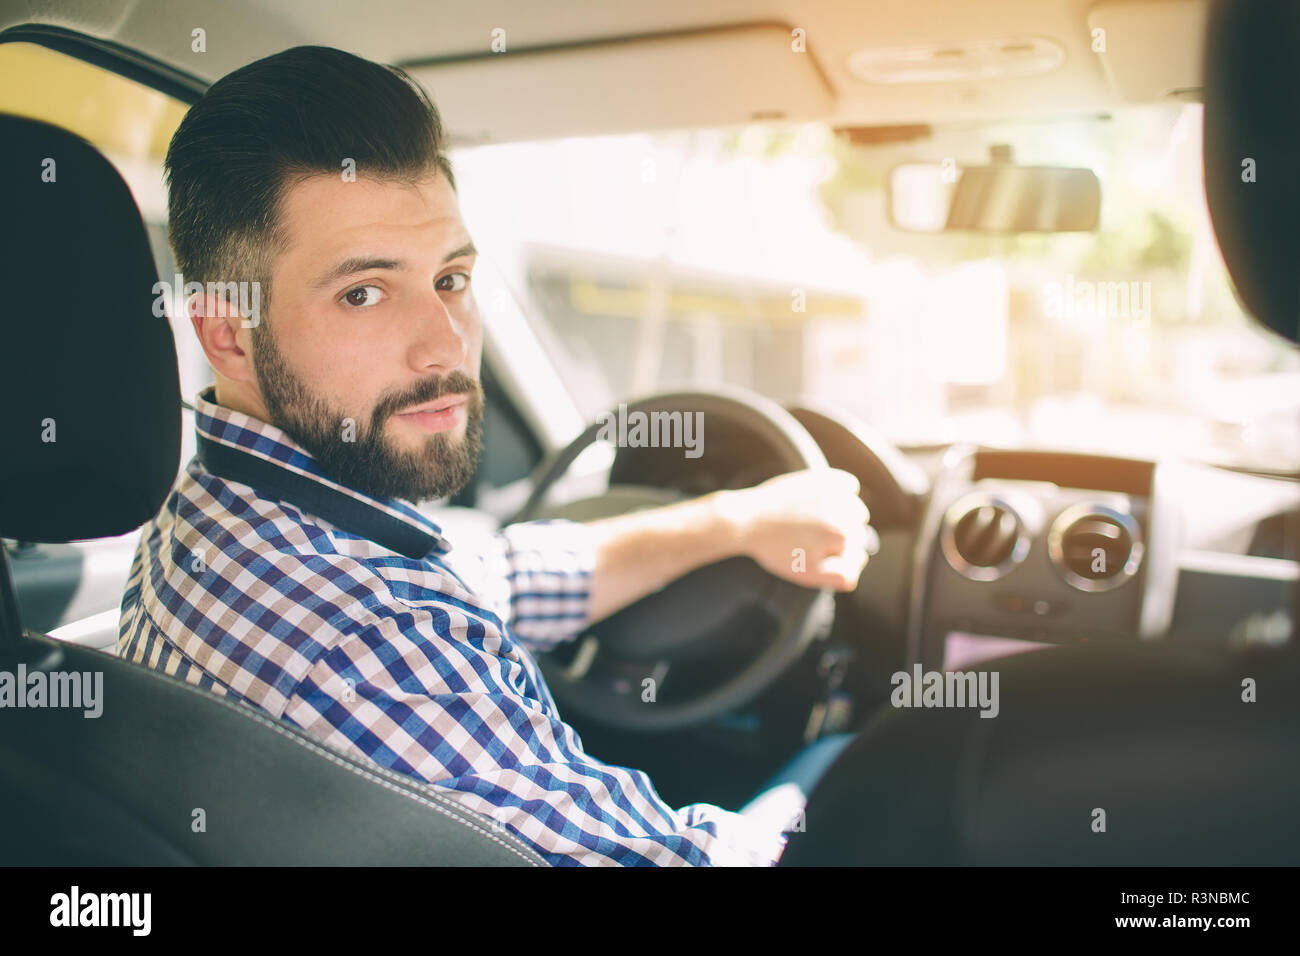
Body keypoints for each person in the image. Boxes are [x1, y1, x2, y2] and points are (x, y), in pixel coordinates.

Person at [119, 45, 870, 866]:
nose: (444, 343)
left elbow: (495, 575)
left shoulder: (211, 518)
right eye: (363, 293)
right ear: (228, 334)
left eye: (450, 278)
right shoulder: (370, 643)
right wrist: (830, 798)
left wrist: (733, 521)